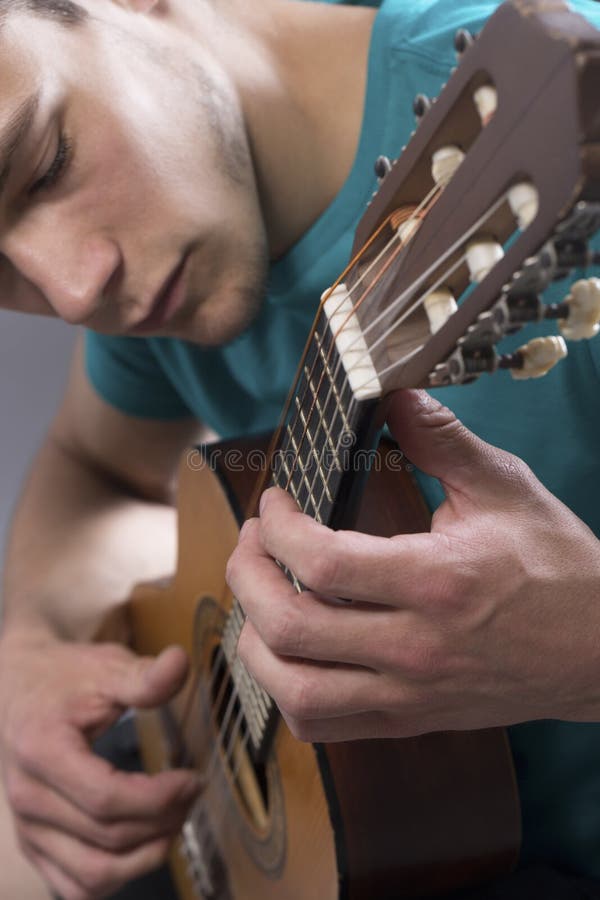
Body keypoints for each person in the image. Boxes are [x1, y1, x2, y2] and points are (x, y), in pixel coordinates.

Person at [0, 0, 599, 898]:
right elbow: (100, 471)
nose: (76, 290)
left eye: (45, 163)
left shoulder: (551, 132)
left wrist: (581, 653)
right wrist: (25, 656)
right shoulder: (164, 264)